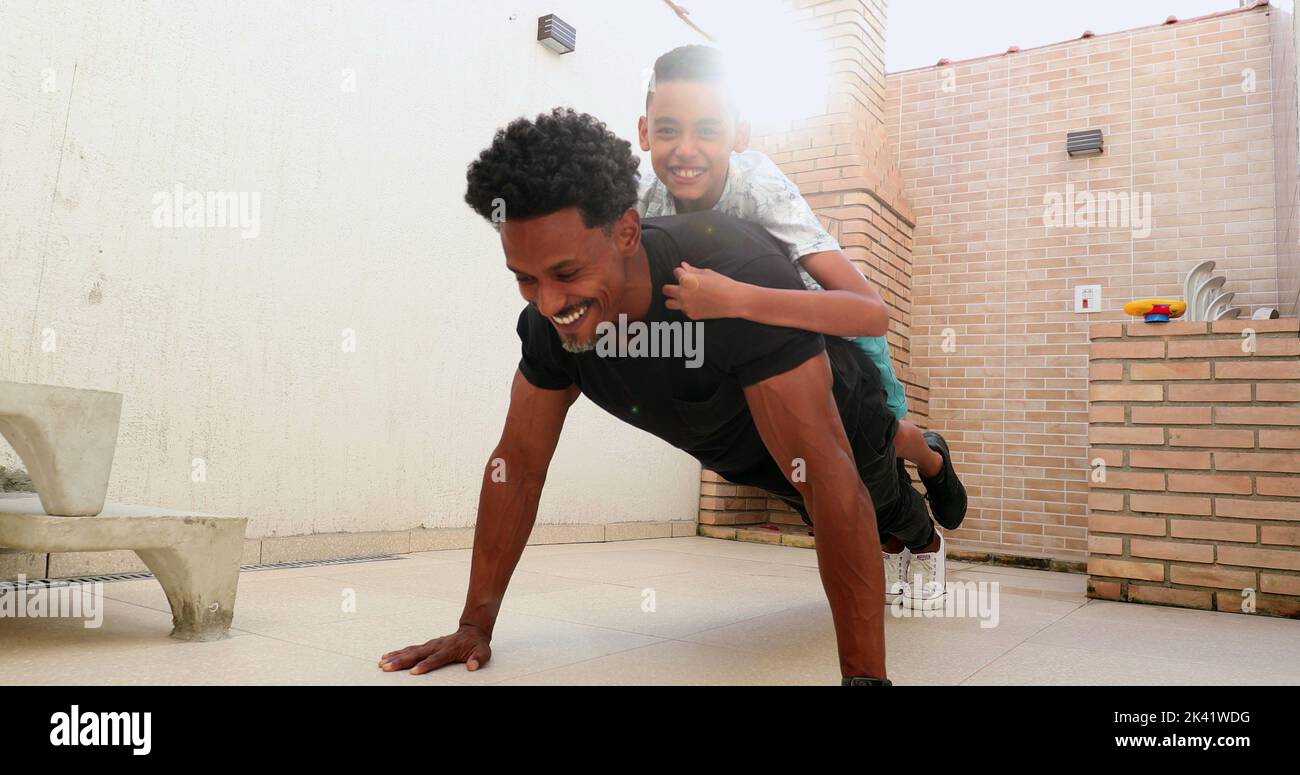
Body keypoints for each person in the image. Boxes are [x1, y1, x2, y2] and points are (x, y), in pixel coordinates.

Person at [379, 108, 947, 685]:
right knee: (820, 514)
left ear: (627, 232)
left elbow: (828, 472)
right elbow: (517, 465)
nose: (549, 303)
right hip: (755, 458)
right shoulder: (548, 330)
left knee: (887, 519)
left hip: (844, 423)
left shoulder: (728, 269)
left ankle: (926, 493)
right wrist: (475, 625)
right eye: (526, 278)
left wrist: (864, 681)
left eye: (566, 272)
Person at [636, 45, 967, 599]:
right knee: (824, 472)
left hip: (833, 329)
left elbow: (870, 311)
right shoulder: (644, 201)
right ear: (645, 132)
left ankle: (930, 456)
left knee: (883, 438)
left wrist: (736, 298)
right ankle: (891, 540)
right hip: (757, 347)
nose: (685, 150)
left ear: (739, 133)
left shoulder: (758, 187)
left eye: (708, 131)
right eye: (668, 131)